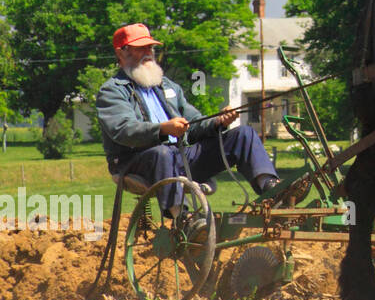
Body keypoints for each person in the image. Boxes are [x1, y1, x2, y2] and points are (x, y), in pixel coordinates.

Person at [96, 23, 286, 235]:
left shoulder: (167, 86)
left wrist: (218, 122)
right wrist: (162, 129)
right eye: (141, 48)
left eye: (150, 48)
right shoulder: (112, 91)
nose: (148, 53)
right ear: (121, 53)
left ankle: (272, 189)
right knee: (163, 152)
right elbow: (123, 130)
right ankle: (184, 218)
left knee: (244, 134)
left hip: (180, 156)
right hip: (136, 162)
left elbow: (193, 122)